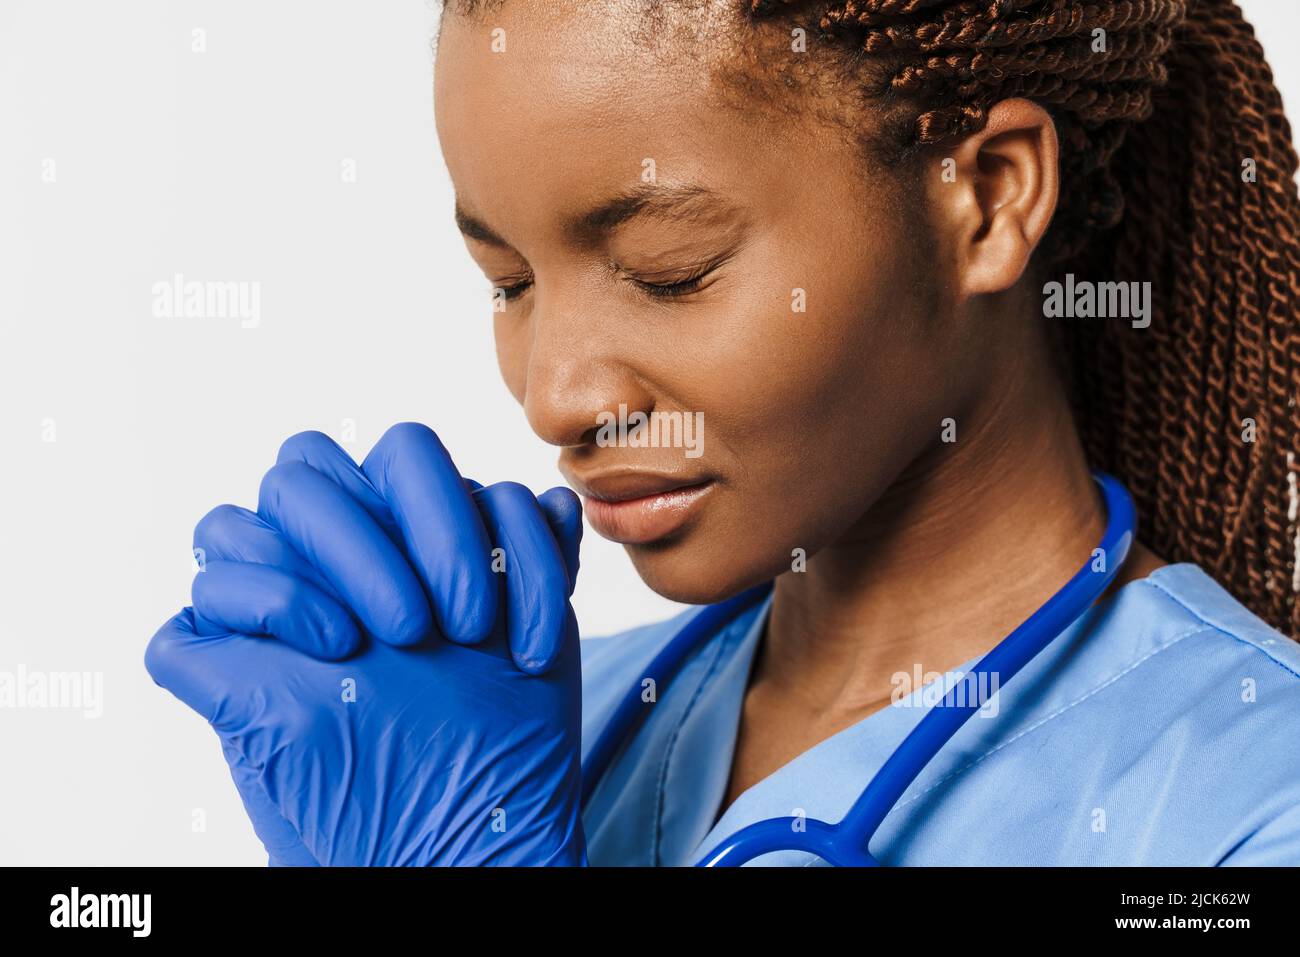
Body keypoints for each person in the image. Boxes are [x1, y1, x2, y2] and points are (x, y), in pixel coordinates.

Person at [145, 0, 1300, 865]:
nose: (556, 397)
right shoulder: (508, 735)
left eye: (669, 272)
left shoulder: (1250, 801)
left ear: (988, 196)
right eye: (507, 281)